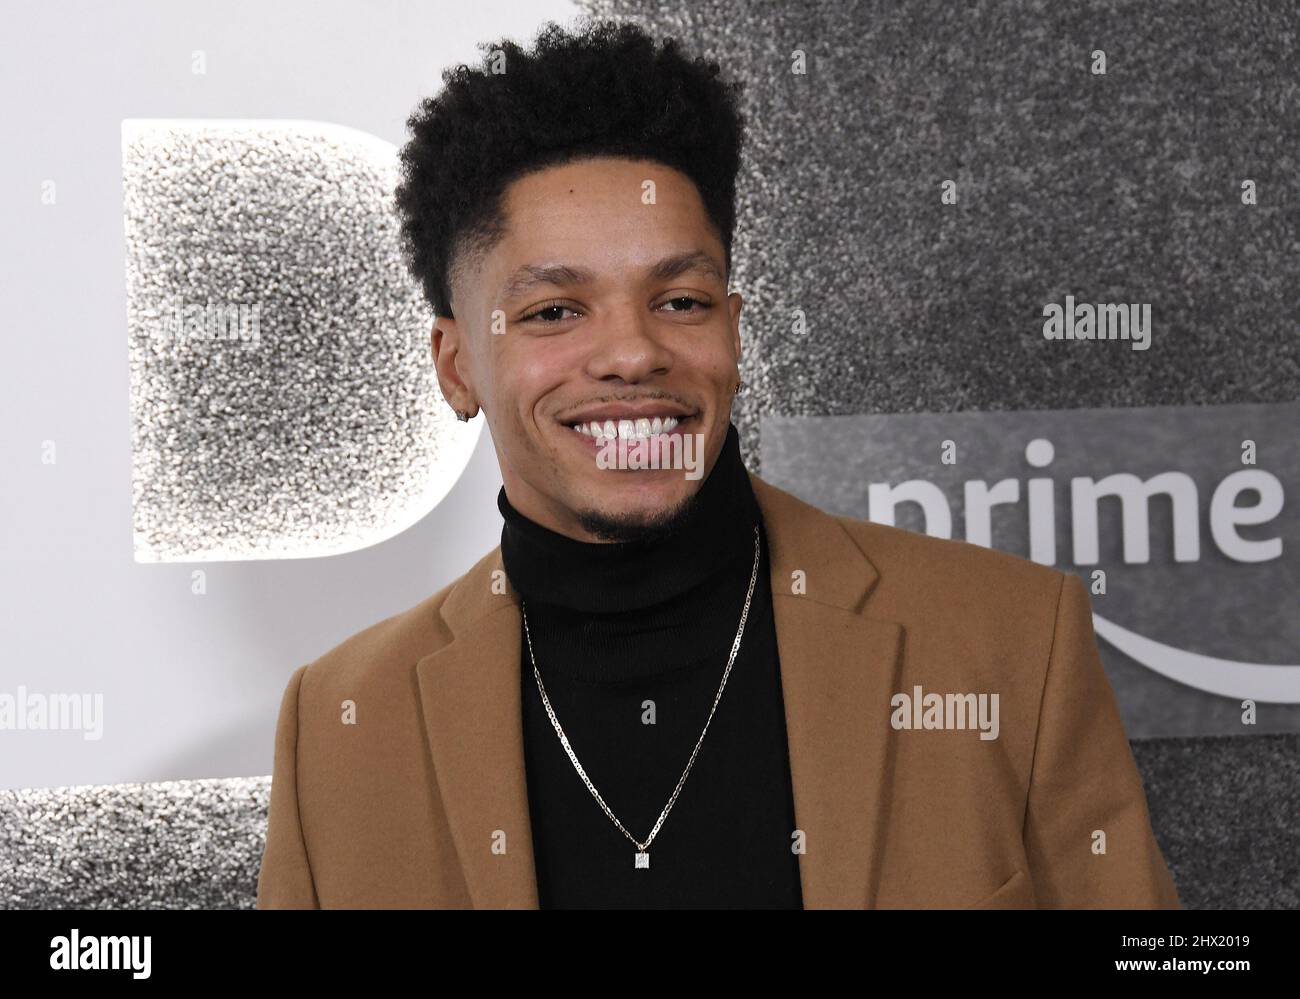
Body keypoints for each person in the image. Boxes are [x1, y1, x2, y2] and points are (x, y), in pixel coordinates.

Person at [257, 18, 1180, 909]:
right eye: (554, 312)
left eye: (681, 299)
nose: (634, 354)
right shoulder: (340, 726)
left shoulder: (1010, 643)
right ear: (457, 366)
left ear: (734, 332)